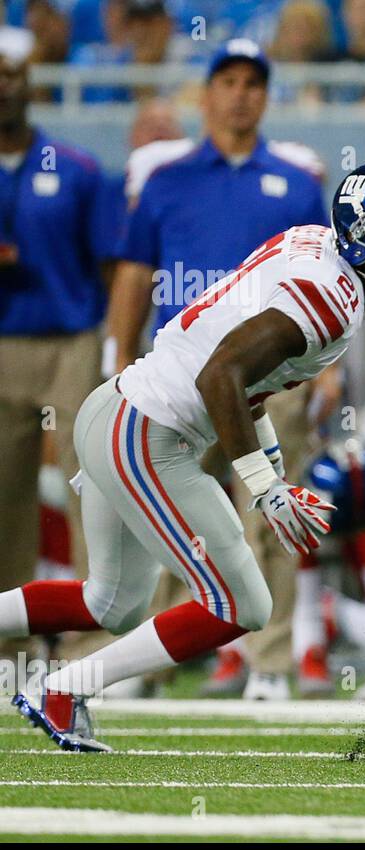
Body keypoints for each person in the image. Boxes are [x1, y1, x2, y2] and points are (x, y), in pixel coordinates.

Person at [1, 159, 365, 751]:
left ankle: (62, 688)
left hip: (121, 412)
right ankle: (64, 689)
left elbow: (247, 383)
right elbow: (222, 377)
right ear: (357, 230)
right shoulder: (333, 297)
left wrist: (275, 475)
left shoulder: (316, 250)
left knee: (107, 602)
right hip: (146, 431)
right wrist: (262, 485)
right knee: (241, 602)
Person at [107, 40, 329, 701]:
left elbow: (326, 277)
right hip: (178, 375)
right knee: (164, 513)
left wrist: (330, 372)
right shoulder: (167, 180)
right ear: (206, 94)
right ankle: (150, 662)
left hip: (268, 375)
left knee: (270, 511)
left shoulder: (296, 183)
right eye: (227, 80)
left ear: (266, 96)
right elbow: (136, 273)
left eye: (253, 83)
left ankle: (268, 661)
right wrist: (118, 355)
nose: (240, 93)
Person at [0, 43, 116, 605]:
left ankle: (91, 633)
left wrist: (112, 345)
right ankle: (6, 644)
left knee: (87, 484)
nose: (3, 87)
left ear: (30, 81)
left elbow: (113, 264)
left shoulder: (75, 169)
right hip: (2, 342)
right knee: (3, 496)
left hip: (71, 341)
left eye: (12, 75)